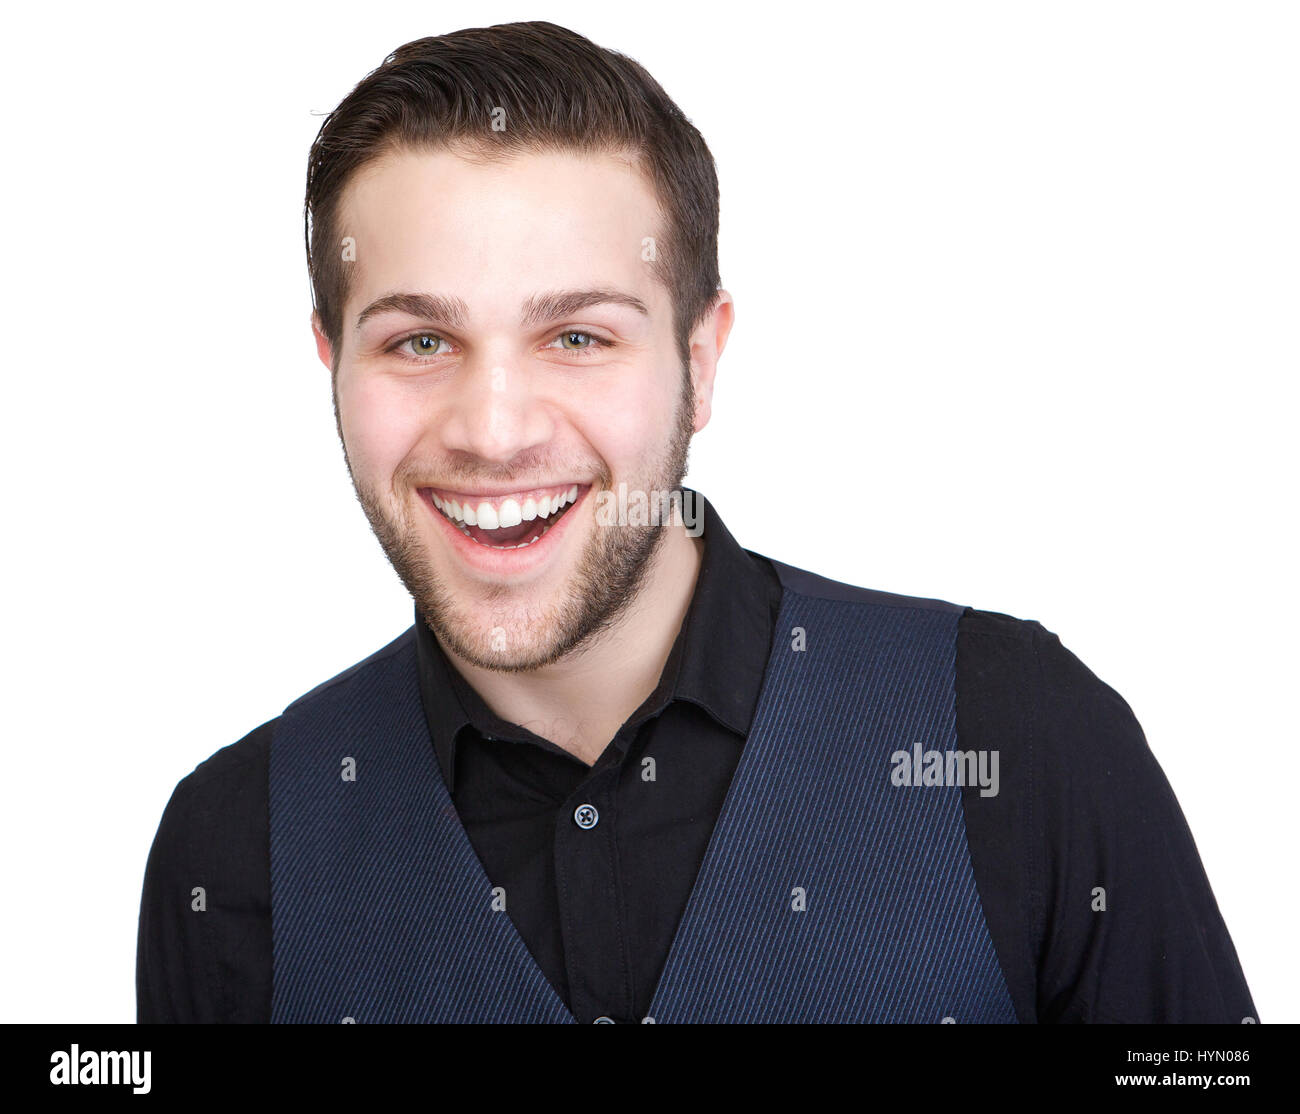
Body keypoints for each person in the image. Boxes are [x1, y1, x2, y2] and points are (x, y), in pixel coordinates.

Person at [136, 20, 1257, 1024]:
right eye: (418, 342)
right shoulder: (234, 851)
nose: (491, 428)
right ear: (332, 364)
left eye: (577, 335)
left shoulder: (1019, 739)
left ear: (700, 363)